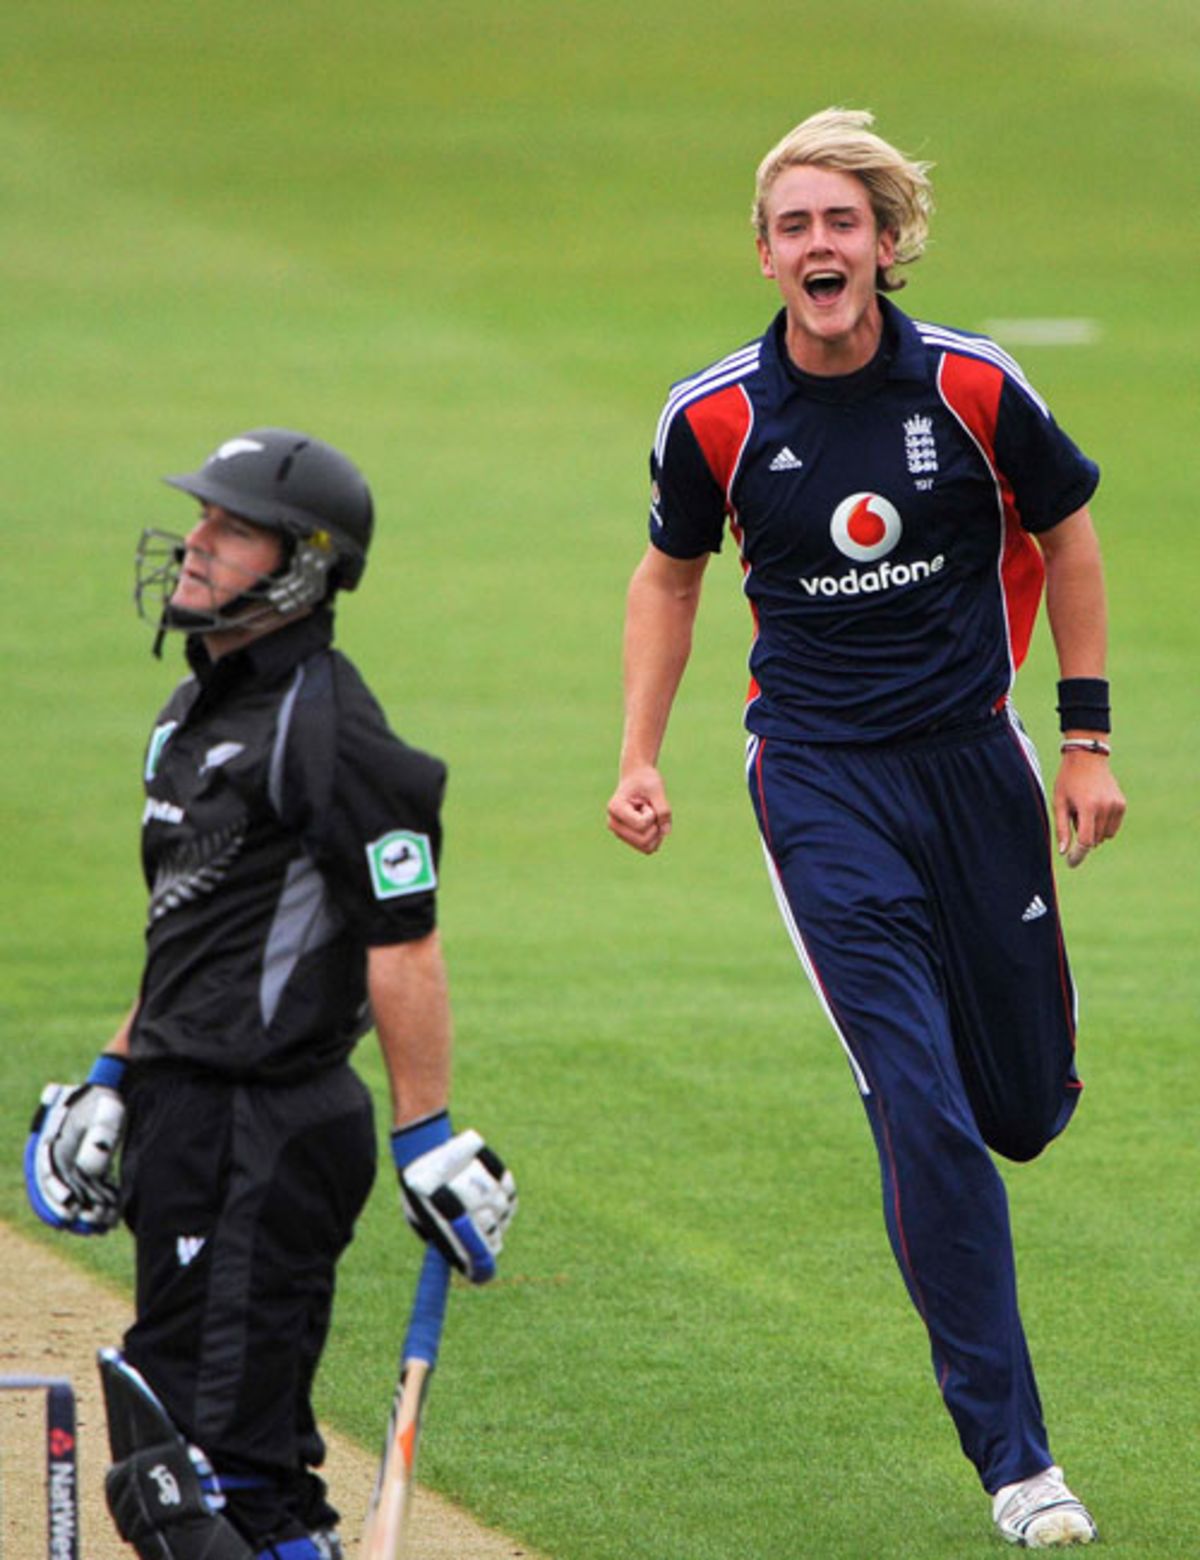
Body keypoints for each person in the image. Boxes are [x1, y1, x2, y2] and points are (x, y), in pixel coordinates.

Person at [607, 109, 1125, 1549]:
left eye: (844, 223)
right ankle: (1019, 1463)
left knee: (1019, 1111)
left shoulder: (970, 384)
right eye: (795, 226)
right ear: (766, 254)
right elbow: (669, 580)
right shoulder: (713, 413)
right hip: (822, 781)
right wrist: (640, 756)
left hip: (978, 767)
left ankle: (930, 1093)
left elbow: (1069, 529)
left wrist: (1083, 741)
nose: (819, 247)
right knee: (928, 1112)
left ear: (886, 245)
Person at [25, 428, 517, 1560]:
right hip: (184, 1118)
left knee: (197, 1482)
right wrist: (112, 1077)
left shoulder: (332, 732)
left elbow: (406, 940)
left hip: (265, 1133)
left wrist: (428, 1133)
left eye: (229, 527)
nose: (194, 543)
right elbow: (194, 935)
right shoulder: (191, 716)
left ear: (303, 563)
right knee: (236, 1472)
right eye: (201, 518)